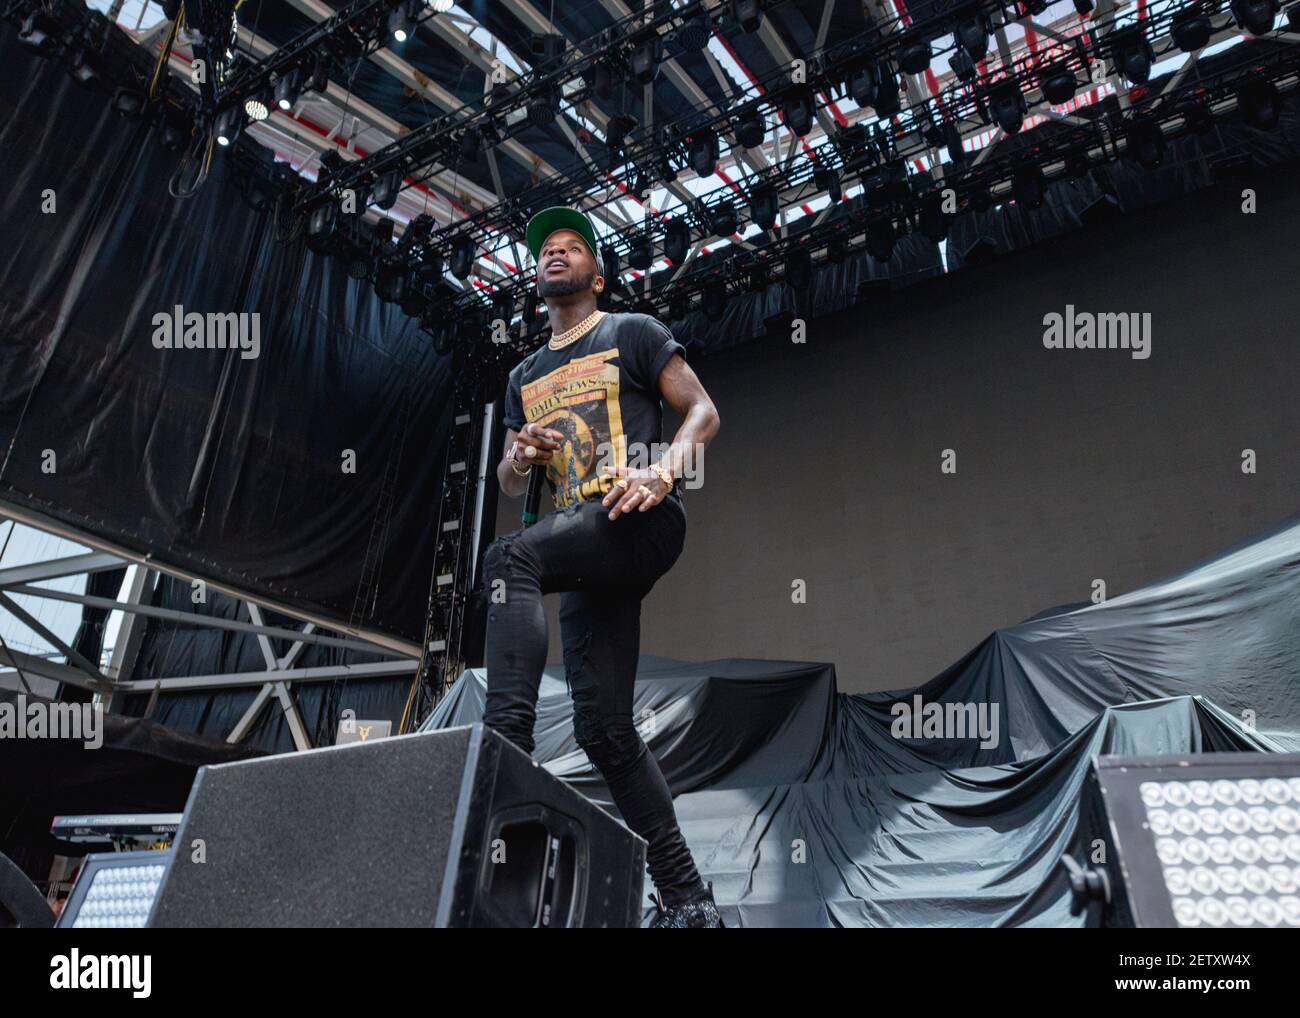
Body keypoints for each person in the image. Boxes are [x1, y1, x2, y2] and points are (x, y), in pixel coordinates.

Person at [481, 206, 724, 928]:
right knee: (605, 732)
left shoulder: (632, 333)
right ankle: (688, 898)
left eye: (570, 248)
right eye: (544, 251)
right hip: (584, 541)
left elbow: (704, 412)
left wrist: (663, 475)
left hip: (640, 517)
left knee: (509, 558)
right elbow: (510, 484)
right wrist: (517, 459)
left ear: (598, 272)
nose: (554, 255)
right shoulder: (524, 375)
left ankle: (503, 755)